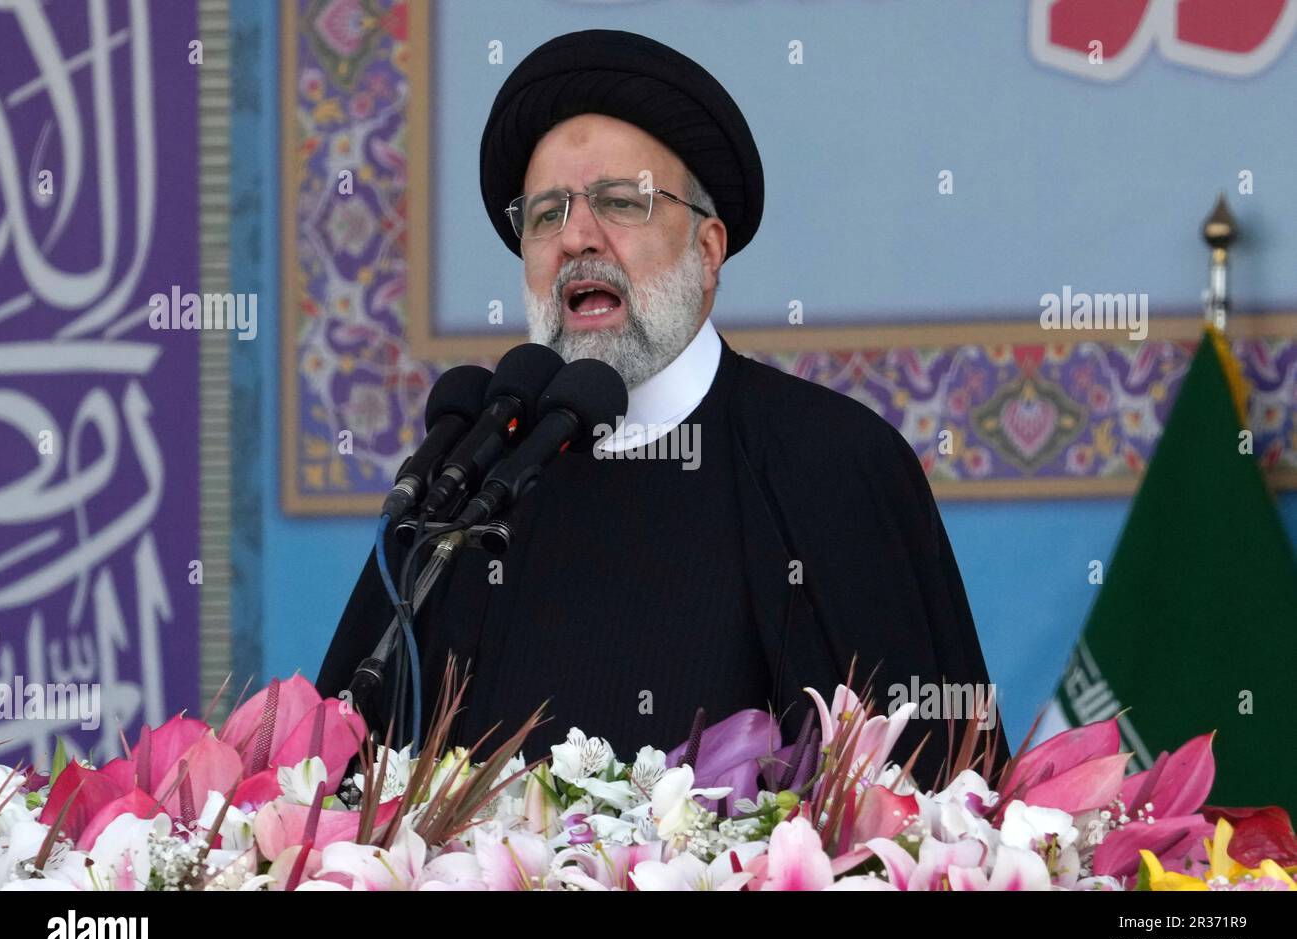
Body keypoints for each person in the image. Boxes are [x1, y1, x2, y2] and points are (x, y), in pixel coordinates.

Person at [316, 30, 1003, 787]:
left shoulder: (832, 464)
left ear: (708, 248)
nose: (576, 236)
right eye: (545, 215)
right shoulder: (470, 483)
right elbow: (339, 788)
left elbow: (933, 809)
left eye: (619, 201)